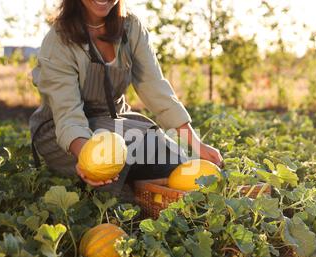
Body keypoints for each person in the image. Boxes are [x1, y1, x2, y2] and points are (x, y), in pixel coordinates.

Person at [29, 0, 223, 199]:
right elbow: (67, 115)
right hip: (63, 133)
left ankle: (171, 204)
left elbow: (154, 86)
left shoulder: (130, 27)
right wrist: (88, 158)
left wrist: (197, 145)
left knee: (168, 154)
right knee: (135, 153)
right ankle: (125, 203)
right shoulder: (59, 40)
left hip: (114, 122)